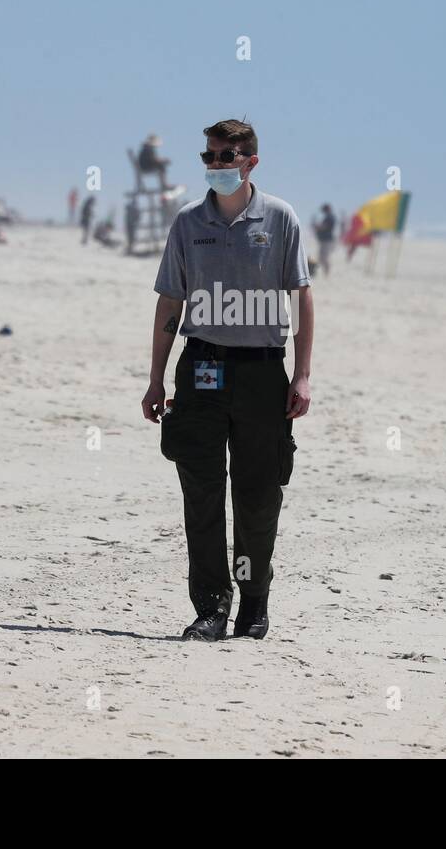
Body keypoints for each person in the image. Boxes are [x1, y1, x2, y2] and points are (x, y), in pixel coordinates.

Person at [142, 118, 313, 642]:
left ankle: (253, 603)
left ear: (250, 162)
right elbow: (171, 301)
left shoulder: (280, 219)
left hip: (263, 371)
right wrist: (156, 378)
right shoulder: (189, 223)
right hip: (202, 367)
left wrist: (302, 375)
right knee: (202, 491)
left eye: (226, 156)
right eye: (209, 156)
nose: (216, 165)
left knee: (259, 493)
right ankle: (212, 606)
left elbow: (301, 299)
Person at [313, 203, 336, 277]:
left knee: (324, 257)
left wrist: (317, 227)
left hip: (327, 240)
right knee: (321, 257)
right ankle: (325, 273)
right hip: (325, 240)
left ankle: (327, 273)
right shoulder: (329, 217)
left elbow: (324, 227)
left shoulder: (330, 217)